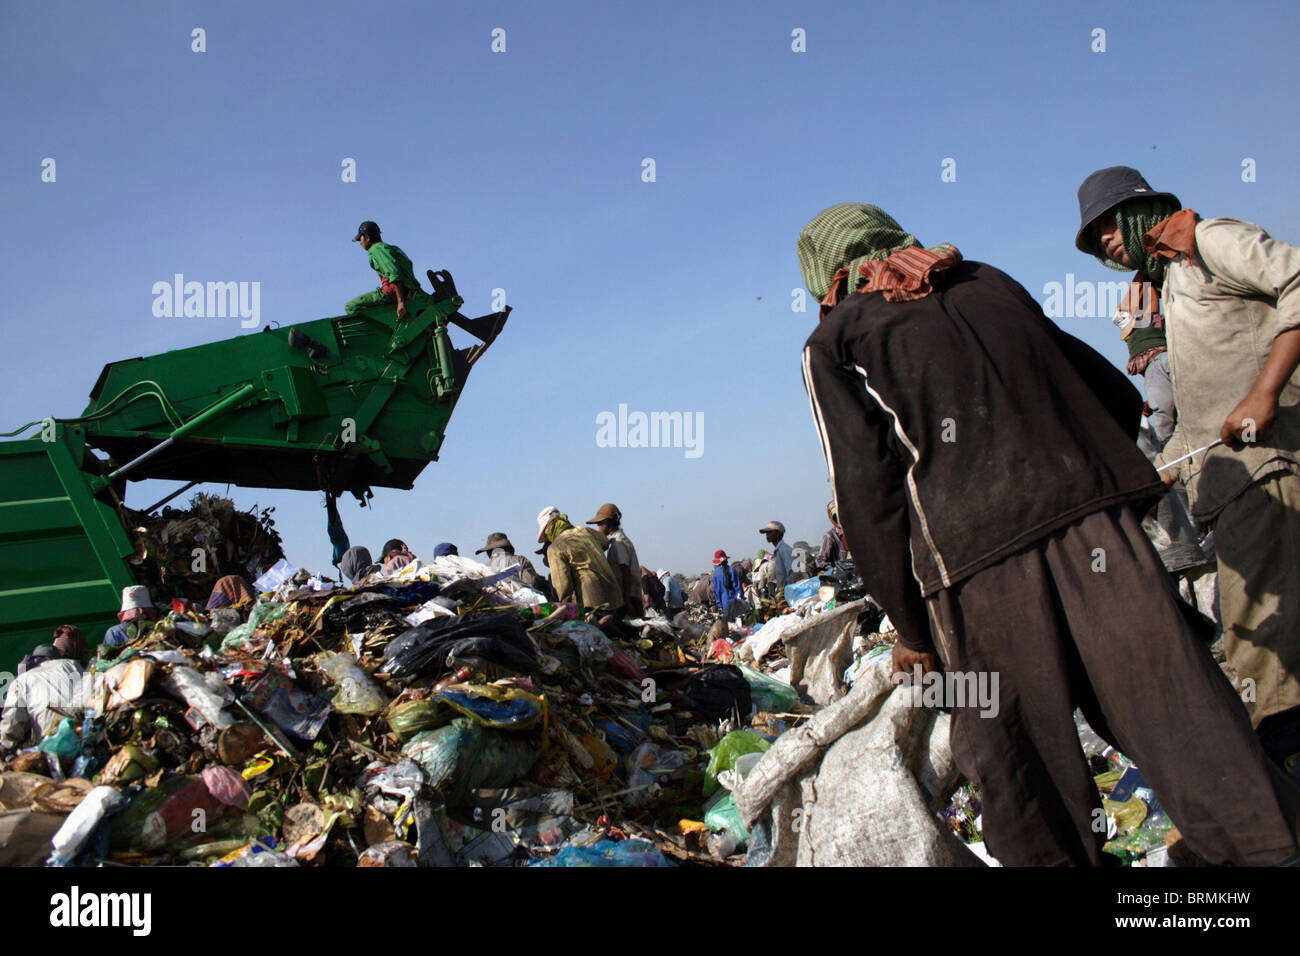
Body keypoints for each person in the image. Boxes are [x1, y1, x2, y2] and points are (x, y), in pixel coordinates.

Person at [797, 200, 1299, 865]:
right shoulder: (985, 281)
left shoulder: (835, 342)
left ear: (827, 278)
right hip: (1097, 526)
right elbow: (1114, 396)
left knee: (1020, 757)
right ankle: (1269, 849)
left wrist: (912, 631)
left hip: (975, 565)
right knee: (1176, 707)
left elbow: (865, 495)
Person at [1076, 166, 1300, 768]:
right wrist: (1152, 482)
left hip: (1266, 469)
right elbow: (1198, 423)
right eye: (1095, 240)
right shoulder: (1172, 284)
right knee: (1261, 640)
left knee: (1265, 657)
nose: (1106, 244)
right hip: (1230, 485)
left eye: (1107, 228)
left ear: (1141, 209)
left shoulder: (1209, 241)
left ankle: (1282, 808)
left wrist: (1264, 394)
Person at [1, 626, 89, 752]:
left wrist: (5, 746)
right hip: (84, 728)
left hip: (51, 736)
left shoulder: (22, 680)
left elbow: (13, 721)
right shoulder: (72, 665)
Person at [537, 507, 624, 615]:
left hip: (592, 603)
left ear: (548, 530)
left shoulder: (555, 548)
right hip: (616, 595)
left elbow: (563, 586)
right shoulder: (584, 530)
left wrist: (564, 610)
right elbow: (605, 542)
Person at [345, 221, 427, 320]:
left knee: (351, 307)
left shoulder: (376, 249)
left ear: (367, 237)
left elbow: (394, 272)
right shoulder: (393, 248)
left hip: (393, 292)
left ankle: (383, 329)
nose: (360, 242)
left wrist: (401, 302)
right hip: (411, 290)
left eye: (360, 239)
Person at [586, 503, 644, 617]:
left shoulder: (618, 543)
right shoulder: (620, 540)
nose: (599, 528)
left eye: (599, 524)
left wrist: (627, 603)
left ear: (607, 523)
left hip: (628, 597)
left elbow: (625, 571)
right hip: (628, 596)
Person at [475, 532, 546, 593]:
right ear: (508, 547)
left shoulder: (484, 568)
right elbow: (531, 582)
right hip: (522, 603)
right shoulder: (520, 560)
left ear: (489, 551)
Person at [759, 521, 793, 592]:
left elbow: (791, 572)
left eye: (770, 532)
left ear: (778, 533)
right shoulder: (778, 551)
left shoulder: (784, 549)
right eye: (766, 533)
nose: (767, 535)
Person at [711, 550, 746, 619]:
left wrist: (719, 604)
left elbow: (716, 592)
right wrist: (741, 599)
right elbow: (738, 587)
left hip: (724, 604)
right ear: (726, 560)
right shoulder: (732, 570)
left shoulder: (715, 574)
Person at [819, 500, 848, 569]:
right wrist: (836, 569)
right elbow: (820, 561)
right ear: (834, 519)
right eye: (837, 517)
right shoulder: (830, 536)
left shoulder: (858, 532)